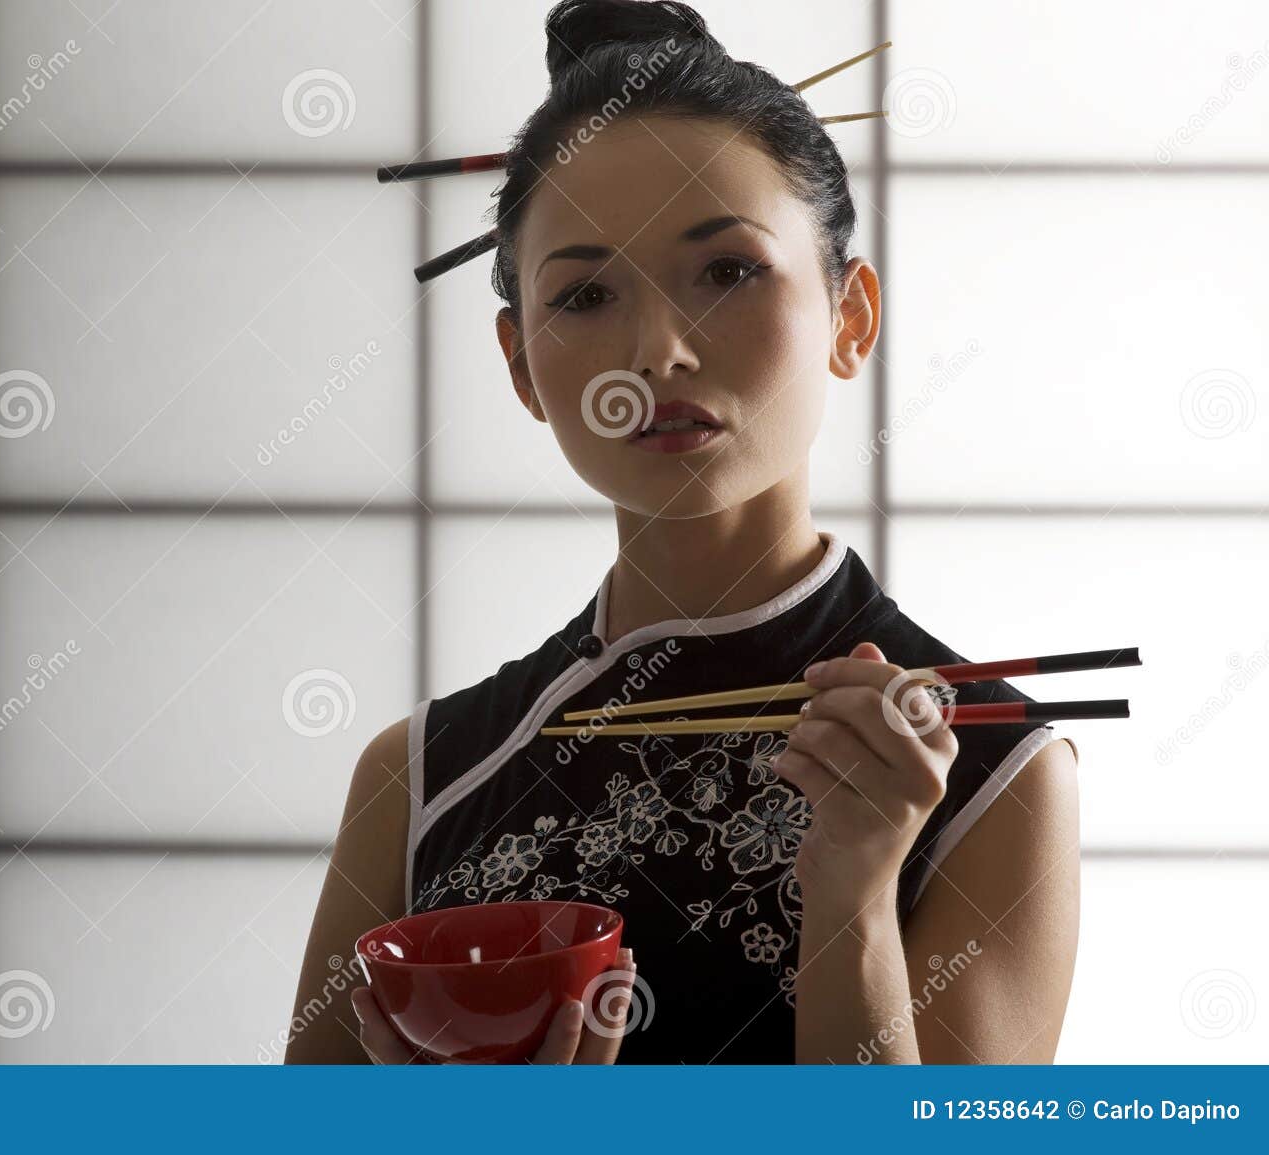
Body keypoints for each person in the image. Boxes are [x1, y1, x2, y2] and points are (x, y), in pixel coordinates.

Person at [284, 0, 1080, 1064]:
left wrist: (851, 888)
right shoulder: (417, 778)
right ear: (521, 366)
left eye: (726, 270)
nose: (656, 351)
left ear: (851, 317)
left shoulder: (990, 763)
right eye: (586, 294)